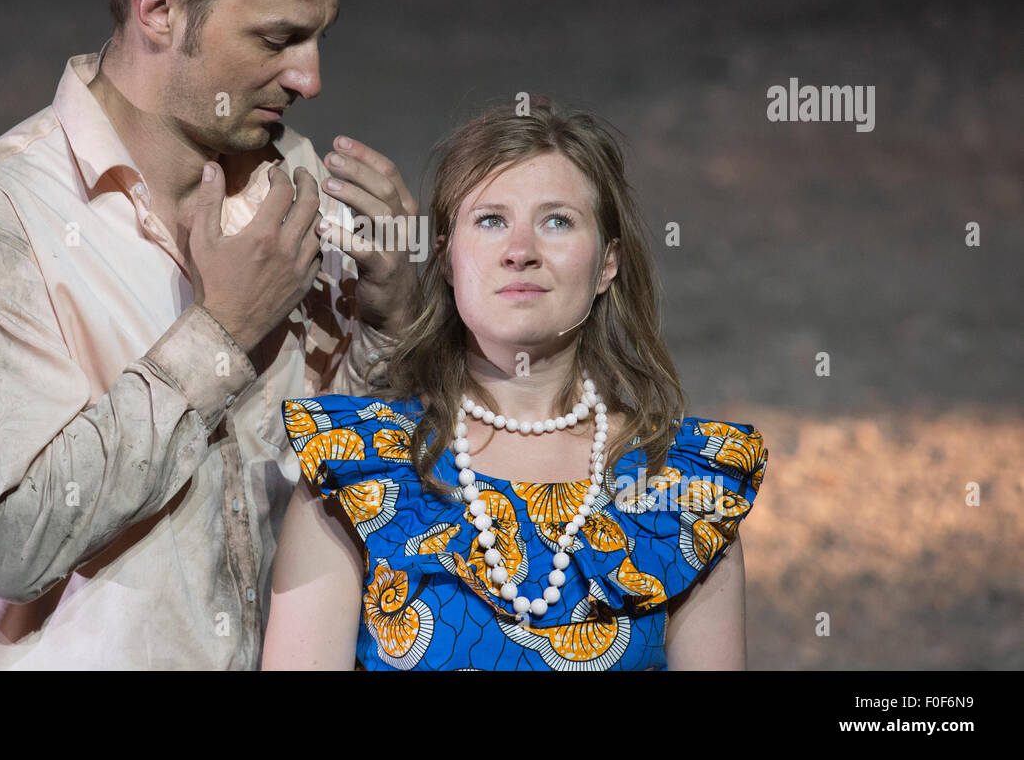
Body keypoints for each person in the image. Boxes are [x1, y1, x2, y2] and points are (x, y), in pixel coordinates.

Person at [0, 0, 418, 669]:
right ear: (157, 12)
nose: (310, 78)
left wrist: (395, 325)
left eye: (318, 38)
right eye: (277, 39)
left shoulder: (296, 189)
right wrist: (219, 336)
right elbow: (15, 540)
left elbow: (364, 495)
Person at [262, 98, 769, 670]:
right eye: (491, 220)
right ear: (448, 261)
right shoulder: (354, 471)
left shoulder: (687, 491)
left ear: (607, 263)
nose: (521, 252)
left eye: (557, 221)